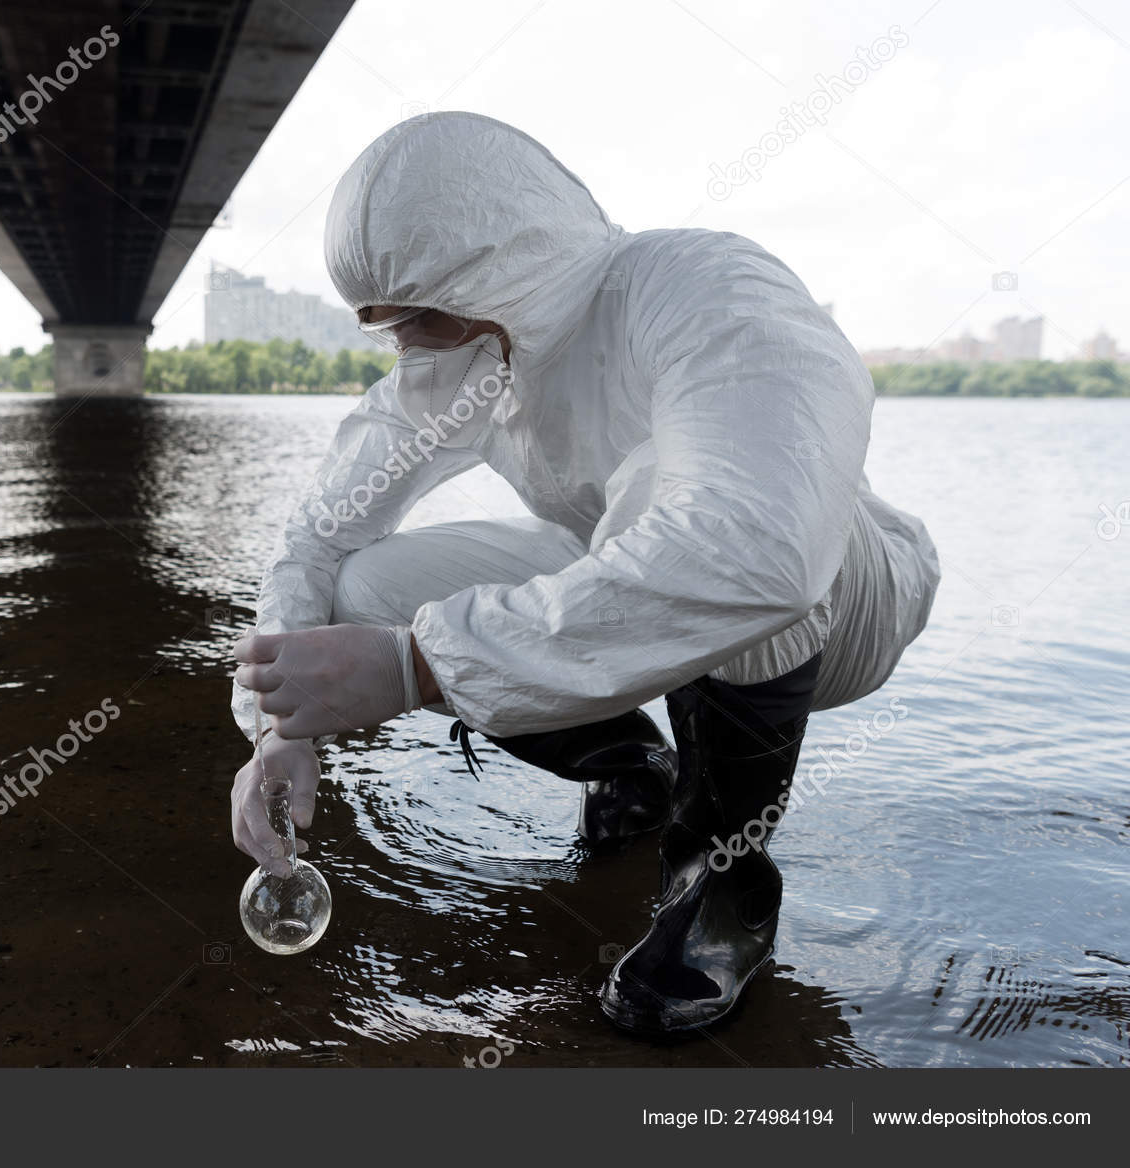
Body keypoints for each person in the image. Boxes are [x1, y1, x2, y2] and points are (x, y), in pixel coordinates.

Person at [229, 111, 939, 1037]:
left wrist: (420, 667)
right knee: (361, 593)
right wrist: (277, 729)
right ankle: (633, 767)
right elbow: (315, 539)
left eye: (418, 314)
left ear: (502, 264)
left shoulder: (705, 287)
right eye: (384, 324)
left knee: (664, 496)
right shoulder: (460, 358)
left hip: (837, 601)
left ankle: (719, 885)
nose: (406, 346)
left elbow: (760, 545)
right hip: (639, 560)